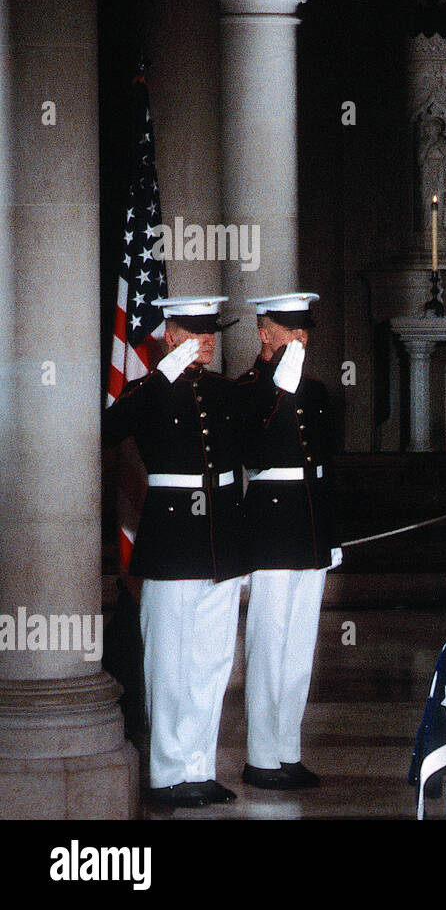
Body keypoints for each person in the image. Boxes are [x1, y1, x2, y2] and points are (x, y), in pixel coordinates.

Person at [101, 296, 246, 808]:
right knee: (169, 661)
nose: (207, 340)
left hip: (222, 540)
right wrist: (161, 378)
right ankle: (166, 774)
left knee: (212, 660)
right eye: (195, 331)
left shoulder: (225, 393)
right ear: (169, 336)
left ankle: (200, 768)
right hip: (171, 537)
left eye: (212, 332)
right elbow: (109, 431)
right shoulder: (147, 391)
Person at [236, 292, 340, 790]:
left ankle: (287, 750)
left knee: (300, 647)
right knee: (268, 642)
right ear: (264, 333)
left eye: (304, 330)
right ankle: (259, 757)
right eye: (289, 329)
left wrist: (333, 535)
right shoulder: (248, 388)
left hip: (310, 520)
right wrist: (276, 387)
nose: (300, 339)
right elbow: (248, 449)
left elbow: (327, 467)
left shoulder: (317, 391)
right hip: (271, 523)